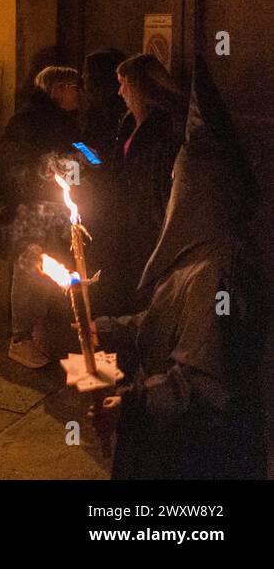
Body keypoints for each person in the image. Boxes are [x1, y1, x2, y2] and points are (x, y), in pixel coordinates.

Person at [90, 57, 267, 479]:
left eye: (177, 185)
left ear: (202, 194)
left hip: (196, 458)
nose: (171, 196)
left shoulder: (219, 270)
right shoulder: (193, 255)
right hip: (166, 445)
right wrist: (112, 328)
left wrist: (128, 403)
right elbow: (165, 321)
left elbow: (205, 385)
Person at [0, 66, 81, 367]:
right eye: (72, 86)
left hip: (53, 209)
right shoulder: (28, 120)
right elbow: (8, 161)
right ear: (56, 89)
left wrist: (91, 158)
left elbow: (80, 148)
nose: (78, 92)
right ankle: (20, 339)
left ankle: (39, 330)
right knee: (30, 269)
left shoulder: (64, 120)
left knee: (49, 268)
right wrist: (43, 169)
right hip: (29, 210)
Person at [103, 53, 184, 312]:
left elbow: (158, 182)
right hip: (126, 220)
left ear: (138, 86)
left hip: (146, 223)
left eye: (123, 83)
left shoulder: (163, 130)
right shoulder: (129, 123)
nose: (119, 91)